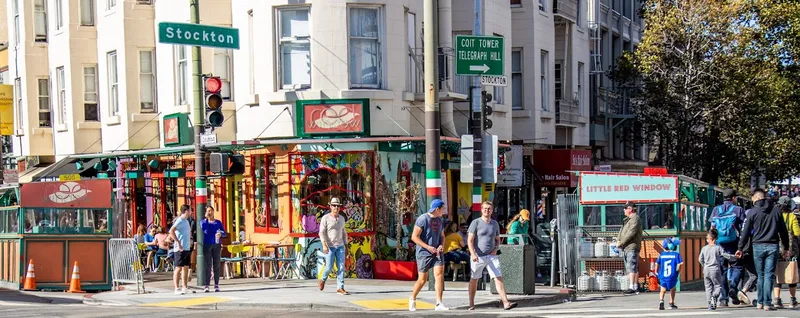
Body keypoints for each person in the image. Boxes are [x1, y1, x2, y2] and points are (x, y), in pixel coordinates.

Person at [736, 189, 790, 311]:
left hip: (757, 246)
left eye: (753, 199)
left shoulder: (753, 212)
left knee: (760, 275)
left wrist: (740, 248)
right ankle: (767, 303)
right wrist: (785, 247)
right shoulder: (776, 211)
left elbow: (745, 233)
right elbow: (783, 230)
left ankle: (760, 302)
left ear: (757, 198)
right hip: (772, 246)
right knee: (769, 275)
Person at [467, 201, 517, 311]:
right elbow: (470, 241)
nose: (487, 210)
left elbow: (498, 240)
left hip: (491, 256)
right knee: (474, 279)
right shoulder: (475, 223)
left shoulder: (494, 224)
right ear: (481, 210)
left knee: (498, 277)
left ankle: (505, 302)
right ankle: (471, 303)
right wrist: (473, 254)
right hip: (478, 256)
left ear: (492, 210)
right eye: (485, 208)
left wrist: (495, 249)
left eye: (489, 209)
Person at [708, 189, 747, 306]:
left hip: (719, 244)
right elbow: (743, 228)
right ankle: (733, 287)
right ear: (734, 198)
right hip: (734, 243)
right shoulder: (738, 210)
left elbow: (712, 228)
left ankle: (723, 299)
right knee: (738, 267)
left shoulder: (716, 210)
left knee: (722, 270)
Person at [409, 199, 448, 311]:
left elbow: (442, 236)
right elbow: (414, 237)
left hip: (437, 252)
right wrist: (427, 247)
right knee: (422, 279)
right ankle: (412, 298)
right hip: (424, 253)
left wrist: (441, 245)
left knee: (439, 275)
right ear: (437, 209)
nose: (444, 211)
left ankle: (439, 303)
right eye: (443, 208)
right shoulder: (422, 219)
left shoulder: (440, 220)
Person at [319, 197, 350, 295]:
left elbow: (344, 233)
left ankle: (340, 287)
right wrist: (324, 244)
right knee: (329, 266)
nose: (336, 207)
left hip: (340, 245)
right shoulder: (326, 218)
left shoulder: (341, 219)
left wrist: (347, 246)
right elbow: (322, 232)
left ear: (340, 207)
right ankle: (323, 279)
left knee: (341, 267)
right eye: (334, 205)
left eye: (337, 206)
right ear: (330, 207)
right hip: (330, 246)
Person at [774, 196, 800, 308]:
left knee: (777, 272)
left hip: (777, 248)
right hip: (790, 250)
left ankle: (777, 299)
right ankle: (792, 299)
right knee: (791, 271)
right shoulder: (792, 216)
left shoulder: (776, 215)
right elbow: (797, 233)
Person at [617, 201, 643, 295]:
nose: (624, 210)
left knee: (631, 266)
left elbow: (631, 233)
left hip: (632, 246)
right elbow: (622, 231)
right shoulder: (627, 219)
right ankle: (635, 286)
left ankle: (632, 286)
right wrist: (618, 240)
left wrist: (622, 242)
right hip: (626, 246)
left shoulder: (635, 219)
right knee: (631, 266)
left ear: (630, 209)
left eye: (625, 208)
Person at [169, 204, 194, 295]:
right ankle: (176, 288)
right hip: (179, 248)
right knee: (178, 268)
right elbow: (171, 231)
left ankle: (184, 287)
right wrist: (178, 242)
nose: (191, 212)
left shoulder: (187, 221)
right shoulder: (179, 220)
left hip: (187, 247)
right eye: (190, 210)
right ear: (186, 211)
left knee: (186, 267)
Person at [201, 206, 225, 293]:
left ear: (214, 211)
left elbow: (224, 232)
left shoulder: (218, 222)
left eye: (211, 211)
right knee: (207, 265)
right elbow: (205, 230)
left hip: (216, 244)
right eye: (208, 211)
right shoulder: (203, 222)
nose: (210, 213)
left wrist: (220, 234)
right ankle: (207, 285)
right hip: (207, 244)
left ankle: (216, 284)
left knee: (216, 265)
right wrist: (207, 219)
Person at [700, 229, 725, 310]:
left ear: (709, 239)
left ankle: (709, 304)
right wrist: (734, 257)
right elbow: (725, 255)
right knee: (718, 286)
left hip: (706, 269)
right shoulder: (718, 248)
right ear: (715, 239)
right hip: (715, 269)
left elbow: (700, 259)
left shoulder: (704, 248)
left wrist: (704, 265)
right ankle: (714, 297)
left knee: (708, 287)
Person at [656, 237, 683, 310]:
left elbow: (657, 264)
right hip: (672, 275)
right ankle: (671, 303)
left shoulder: (661, 254)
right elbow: (680, 264)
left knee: (662, 289)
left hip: (663, 275)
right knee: (672, 289)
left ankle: (661, 300)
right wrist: (679, 271)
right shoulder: (676, 254)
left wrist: (656, 272)